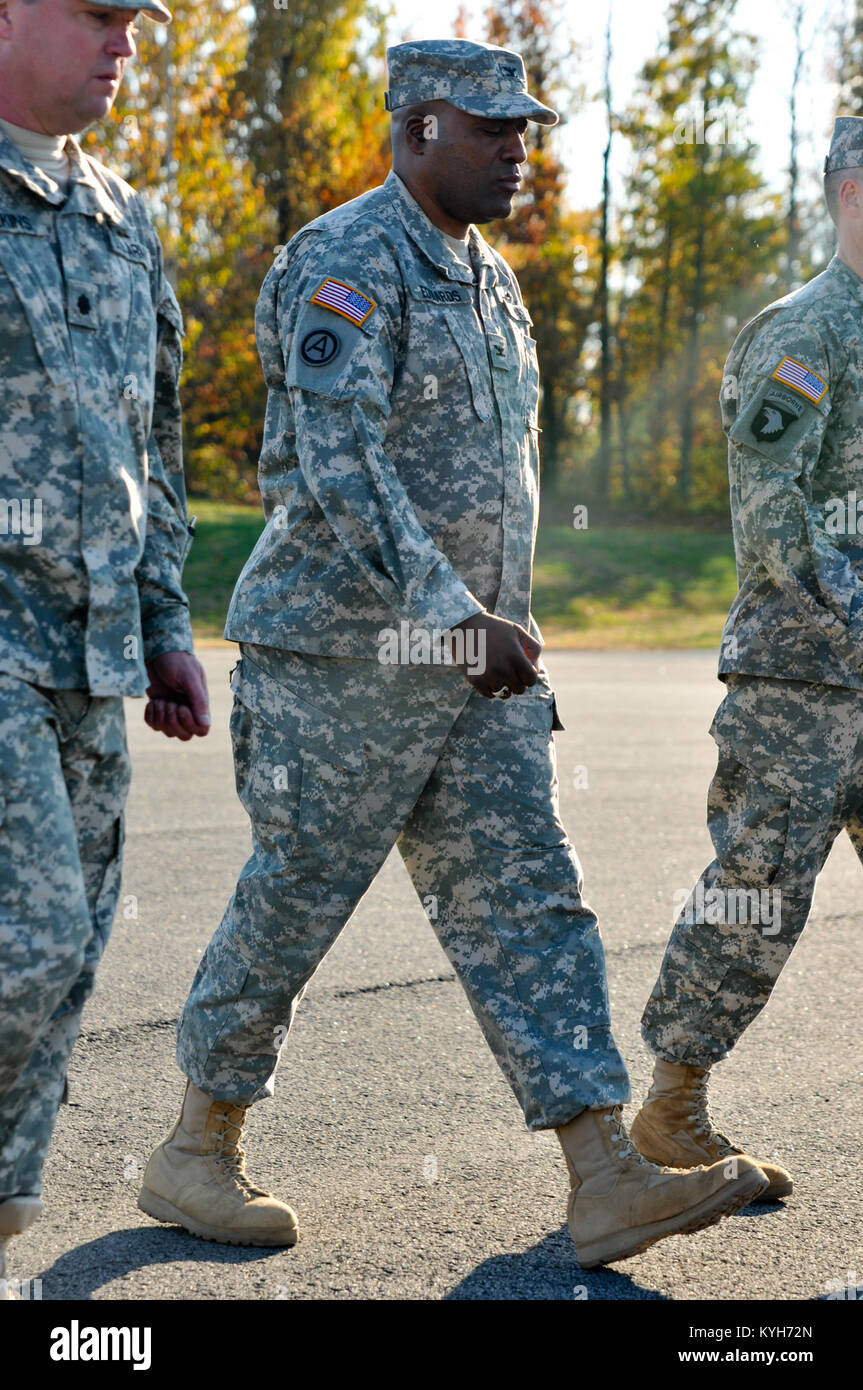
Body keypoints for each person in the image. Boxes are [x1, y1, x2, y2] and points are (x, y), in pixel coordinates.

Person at [139, 38, 766, 1269]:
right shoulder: (345, 258)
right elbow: (340, 463)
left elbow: (499, 481)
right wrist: (448, 610)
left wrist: (504, 625)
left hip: (476, 671)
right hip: (339, 662)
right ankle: (195, 1149)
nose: (516, 152)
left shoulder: (492, 283)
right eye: (491, 129)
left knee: (532, 898)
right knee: (294, 900)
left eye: (524, 131)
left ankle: (603, 1172)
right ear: (417, 127)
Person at [0, 0, 210, 1298]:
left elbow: (159, 446)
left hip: (91, 652)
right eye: (95, 14)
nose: (123, 42)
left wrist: (167, 625)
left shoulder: (125, 223)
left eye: (133, 20)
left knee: (68, 958)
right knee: (24, 942)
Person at [631, 116, 863, 1203]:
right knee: (756, 890)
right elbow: (770, 512)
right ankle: (672, 1106)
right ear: (850, 194)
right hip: (800, 675)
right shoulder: (803, 331)